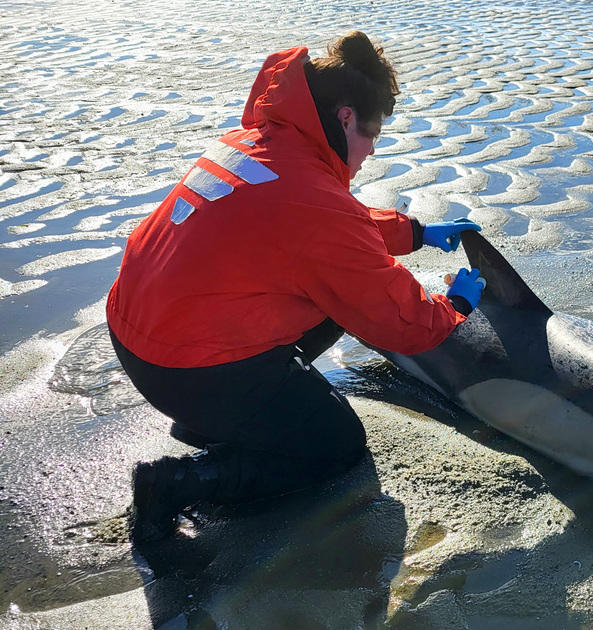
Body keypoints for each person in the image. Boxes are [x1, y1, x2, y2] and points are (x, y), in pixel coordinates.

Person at [105, 32, 486, 543]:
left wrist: (415, 232)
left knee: (331, 297)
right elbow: (402, 321)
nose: (371, 150)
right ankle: (182, 481)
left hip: (139, 333)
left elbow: (321, 227)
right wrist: (456, 304)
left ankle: (223, 421)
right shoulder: (312, 200)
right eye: (372, 135)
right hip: (183, 366)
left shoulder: (262, 145)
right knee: (337, 447)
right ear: (347, 117)